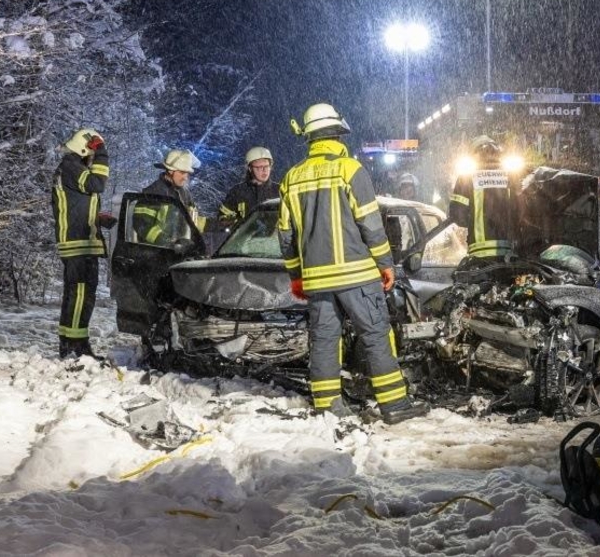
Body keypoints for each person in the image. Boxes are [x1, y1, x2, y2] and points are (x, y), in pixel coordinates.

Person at [278, 103, 428, 424]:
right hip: (356, 275)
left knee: (323, 340)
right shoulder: (350, 170)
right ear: (336, 133)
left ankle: (327, 406)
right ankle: (394, 405)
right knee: (375, 334)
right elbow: (371, 224)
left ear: (309, 138)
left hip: (317, 280)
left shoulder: (291, 178)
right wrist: (385, 262)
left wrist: (296, 275)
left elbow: (286, 235)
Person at [51, 128, 111, 359]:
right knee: (79, 296)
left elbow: (78, 204)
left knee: (79, 296)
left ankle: (76, 343)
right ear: (86, 149)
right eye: (93, 152)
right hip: (78, 244)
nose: (93, 158)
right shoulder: (71, 167)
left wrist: (99, 218)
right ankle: (73, 347)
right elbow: (97, 184)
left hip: (80, 242)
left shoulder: (71, 169)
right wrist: (102, 152)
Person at [448, 135, 520, 260]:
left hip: (479, 253)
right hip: (509, 254)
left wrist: (475, 220)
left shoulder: (467, 176)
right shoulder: (511, 175)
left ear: (474, 154)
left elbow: (458, 216)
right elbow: (521, 210)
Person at [134, 149, 207, 244]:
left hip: (180, 250)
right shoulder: (153, 192)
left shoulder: (184, 193)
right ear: (170, 171)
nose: (185, 177)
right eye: (182, 172)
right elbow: (142, 224)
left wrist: (217, 225)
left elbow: (192, 220)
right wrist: (167, 243)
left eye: (187, 173)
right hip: (157, 252)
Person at [218, 146, 278, 227]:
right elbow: (223, 219)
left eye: (267, 166)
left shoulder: (280, 191)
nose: (264, 170)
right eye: (259, 167)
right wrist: (241, 225)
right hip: (245, 238)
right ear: (250, 168)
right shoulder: (237, 192)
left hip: (274, 239)